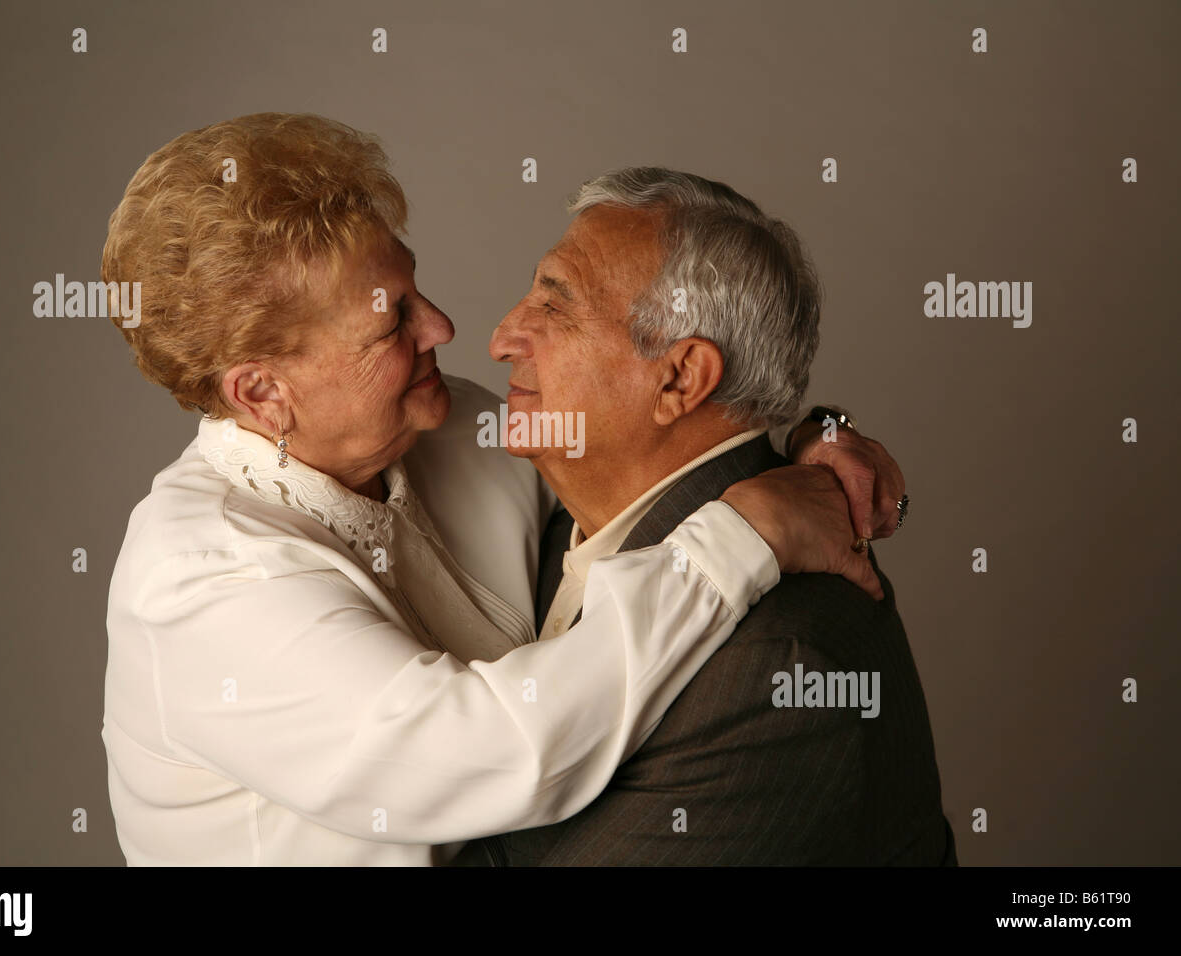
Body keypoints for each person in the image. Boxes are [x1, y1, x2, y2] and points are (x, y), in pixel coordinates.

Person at [99, 113, 905, 865]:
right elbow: (487, 751)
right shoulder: (200, 578)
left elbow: (650, 462)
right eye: (393, 323)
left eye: (413, 287)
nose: (449, 329)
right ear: (261, 393)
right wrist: (748, 530)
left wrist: (815, 438)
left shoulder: (447, 430)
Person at [459, 167, 952, 865]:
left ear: (681, 378)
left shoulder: (780, 672)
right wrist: (823, 428)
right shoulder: (543, 527)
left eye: (557, 306)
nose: (504, 337)